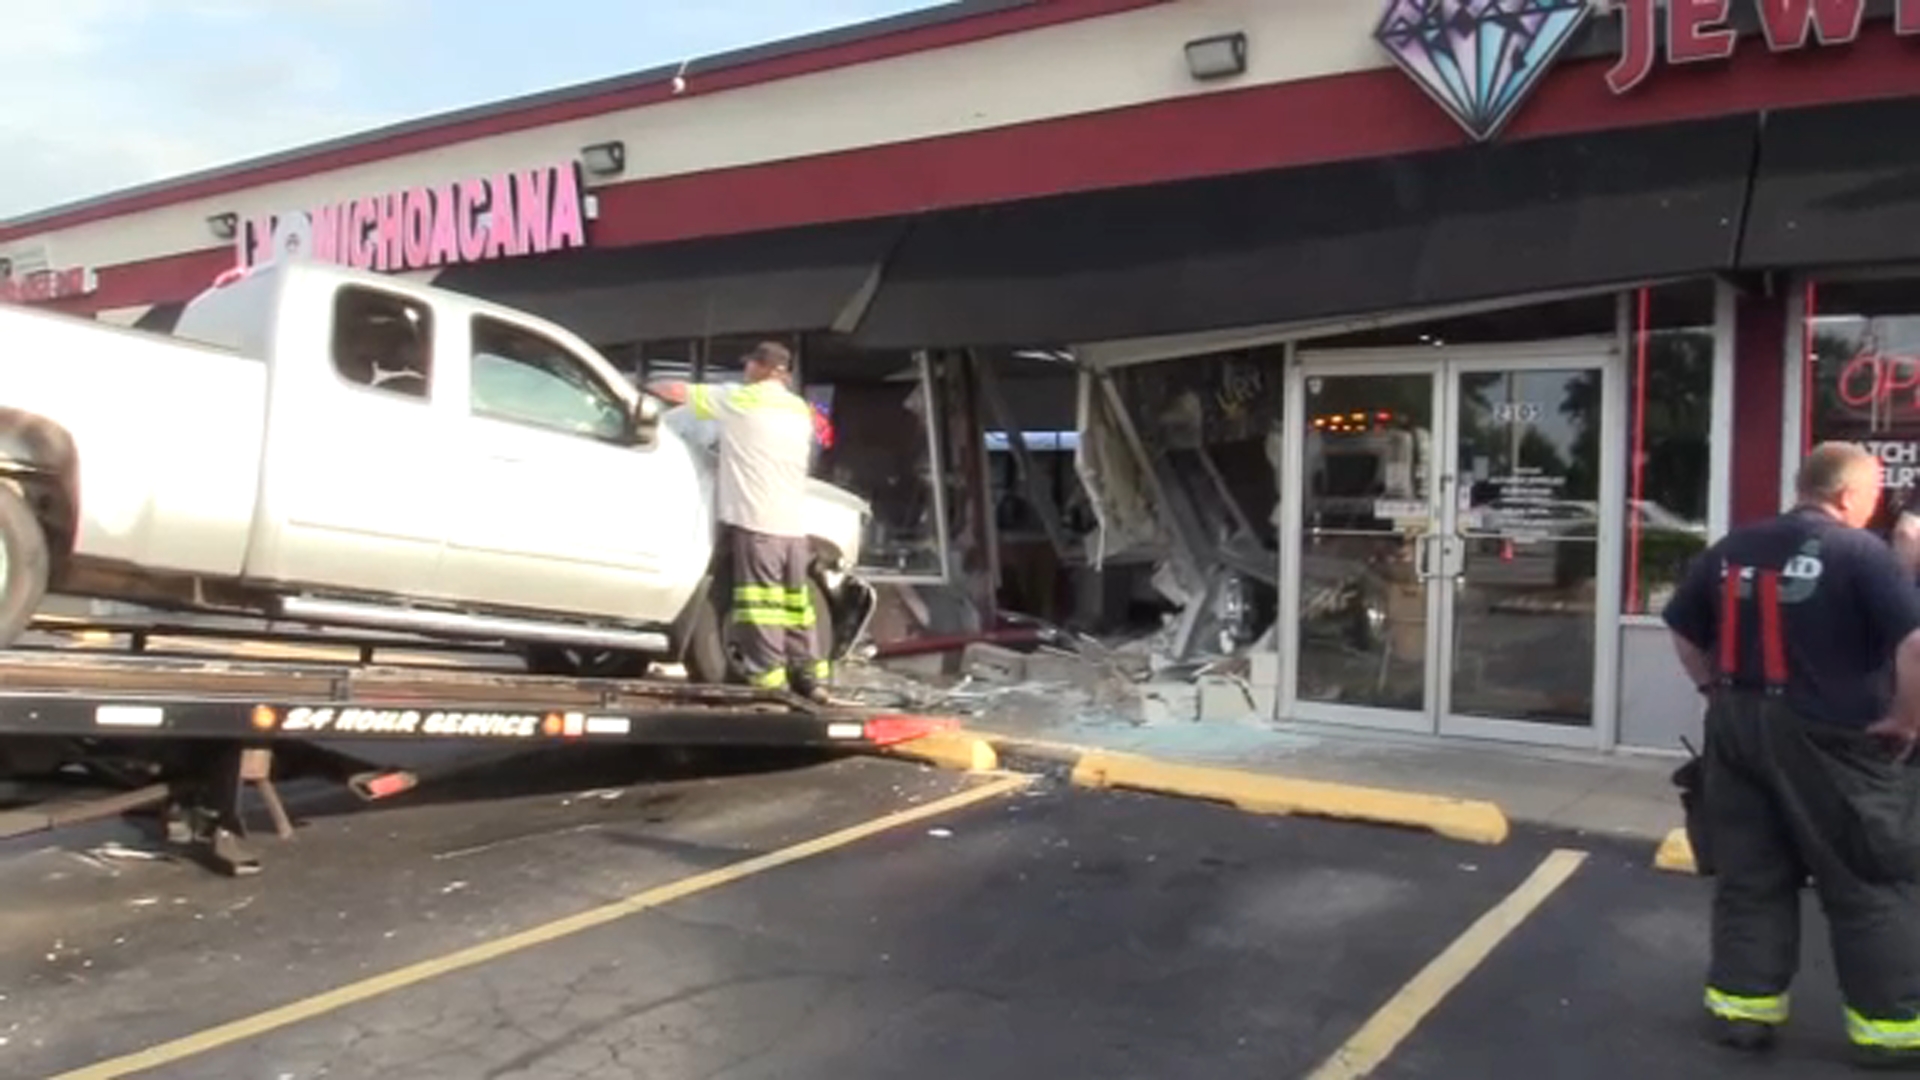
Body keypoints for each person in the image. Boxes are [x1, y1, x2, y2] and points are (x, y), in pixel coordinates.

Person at [1663, 441, 1920, 1066]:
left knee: (1751, 873)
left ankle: (1741, 1011)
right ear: (1848, 495)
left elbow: (1682, 628)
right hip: (1830, 737)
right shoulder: (1861, 553)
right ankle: (1891, 1030)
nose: (1875, 508)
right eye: (1873, 496)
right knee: (1867, 877)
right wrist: (1907, 720)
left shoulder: (1734, 548)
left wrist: (1712, 691)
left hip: (1737, 728)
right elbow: (1915, 644)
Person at [648, 343, 830, 700]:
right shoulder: (799, 409)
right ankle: (812, 678)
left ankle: (769, 681)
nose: (745, 370)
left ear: (762, 368)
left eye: (749, 365)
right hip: (794, 528)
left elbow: (672, 391)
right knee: (796, 604)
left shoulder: (739, 400)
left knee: (761, 606)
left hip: (756, 522)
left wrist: (631, 392)